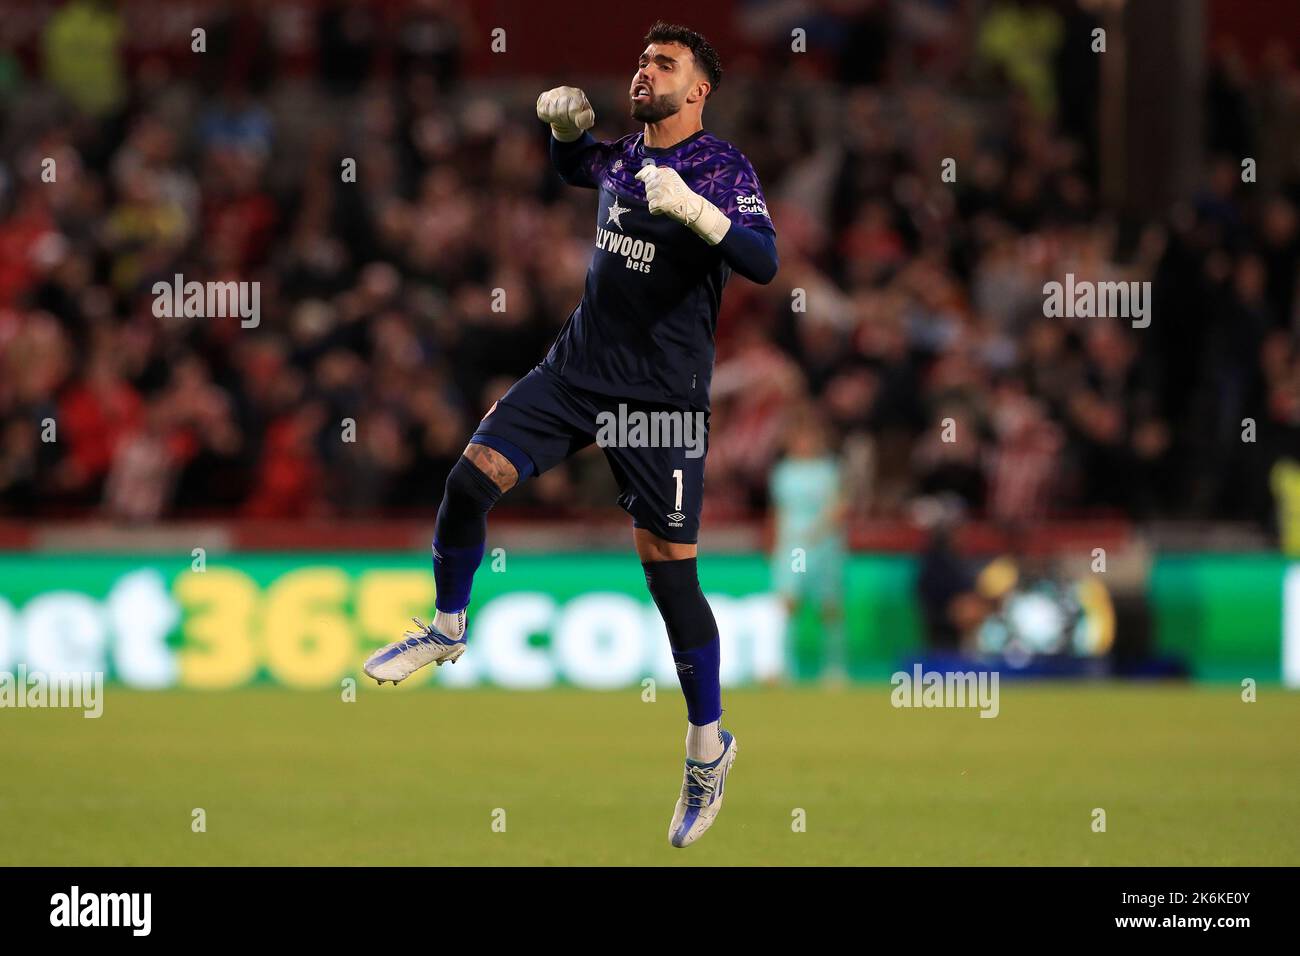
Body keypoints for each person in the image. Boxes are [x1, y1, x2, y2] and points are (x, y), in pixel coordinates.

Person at [363, 21, 778, 848]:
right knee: (469, 481)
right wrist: (564, 134)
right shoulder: (627, 156)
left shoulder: (720, 168)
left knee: (670, 579)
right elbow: (577, 169)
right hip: (576, 373)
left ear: (698, 90)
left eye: (664, 63)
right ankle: (447, 627)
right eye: (641, 58)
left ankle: (707, 749)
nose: (644, 70)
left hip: (661, 398)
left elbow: (763, 260)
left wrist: (696, 211)